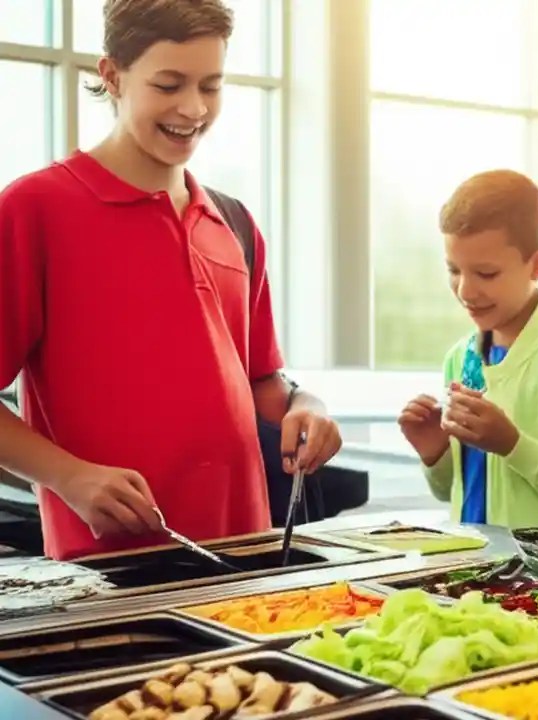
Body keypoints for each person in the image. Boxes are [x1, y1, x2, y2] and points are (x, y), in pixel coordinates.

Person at [0, 0, 342, 562]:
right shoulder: (36, 210)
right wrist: (71, 478)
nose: (193, 108)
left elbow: (265, 384)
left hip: (245, 562)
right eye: (168, 84)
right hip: (108, 570)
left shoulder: (234, 223)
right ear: (111, 75)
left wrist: (311, 406)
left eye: (211, 85)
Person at [399, 170, 538, 531]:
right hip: (471, 563)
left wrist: (513, 444)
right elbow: (453, 490)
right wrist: (433, 452)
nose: (465, 290)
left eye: (486, 273)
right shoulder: (459, 359)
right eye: (454, 270)